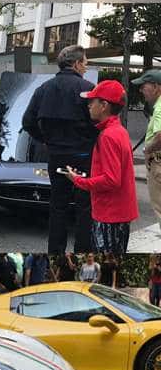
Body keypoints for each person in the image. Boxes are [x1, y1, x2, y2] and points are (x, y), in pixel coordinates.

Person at [23, 45, 98, 254]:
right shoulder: (88, 89)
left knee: (58, 206)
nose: (86, 66)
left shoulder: (43, 89)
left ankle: (55, 252)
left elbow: (27, 122)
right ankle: (82, 251)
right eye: (85, 62)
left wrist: (45, 140)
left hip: (56, 155)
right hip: (83, 156)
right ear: (76, 64)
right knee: (85, 207)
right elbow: (99, 122)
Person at [66, 79, 137, 256]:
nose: (89, 105)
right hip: (118, 213)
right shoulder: (119, 131)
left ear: (104, 105)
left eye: (92, 101)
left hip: (109, 214)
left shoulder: (107, 136)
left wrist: (79, 181)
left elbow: (111, 180)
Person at [132, 69, 161, 228]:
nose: (141, 90)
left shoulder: (160, 107)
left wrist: (147, 149)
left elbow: (160, 135)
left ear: (156, 87)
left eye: (144, 86)